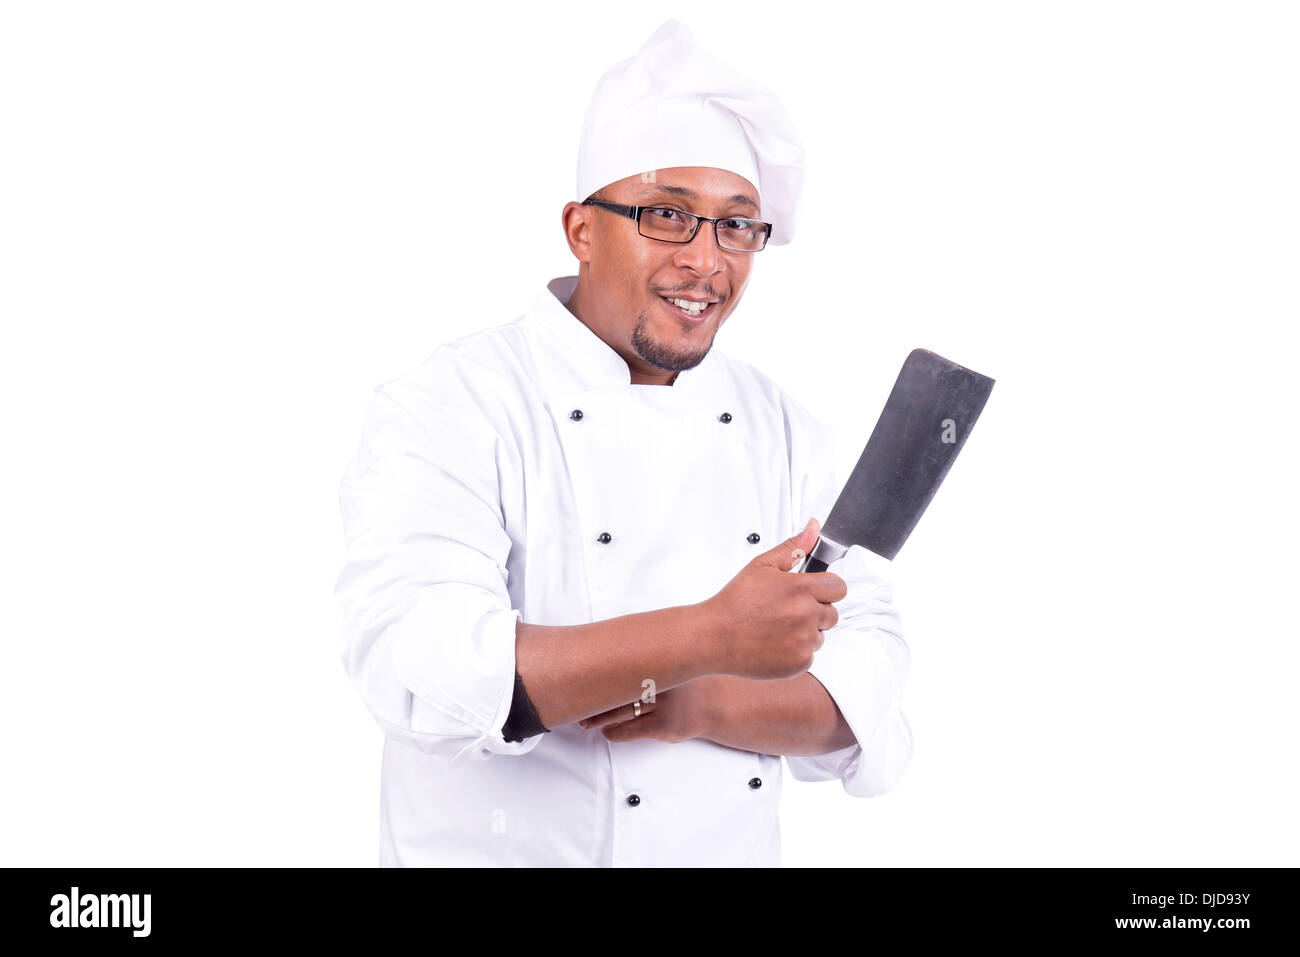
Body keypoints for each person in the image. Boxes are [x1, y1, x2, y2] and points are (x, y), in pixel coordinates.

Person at [332, 19, 912, 867]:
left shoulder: (785, 429)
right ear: (580, 228)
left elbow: (868, 690)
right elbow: (429, 672)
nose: (707, 261)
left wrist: (704, 702)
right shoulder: (456, 404)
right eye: (667, 215)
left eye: (735, 225)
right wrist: (709, 638)